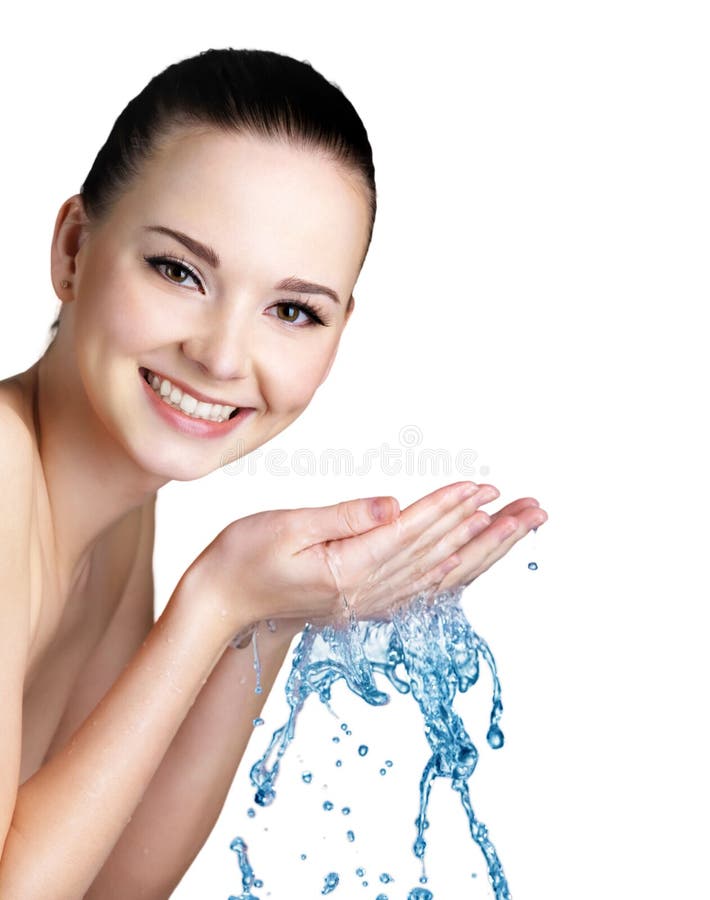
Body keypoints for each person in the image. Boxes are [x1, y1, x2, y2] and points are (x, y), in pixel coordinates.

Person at [0, 47, 547, 897]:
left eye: (292, 311)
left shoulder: (113, 514)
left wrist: (268, 616)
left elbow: (108, 883)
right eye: (179, 271)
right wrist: (216, 597)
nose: (221, 355)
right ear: (73, 249)